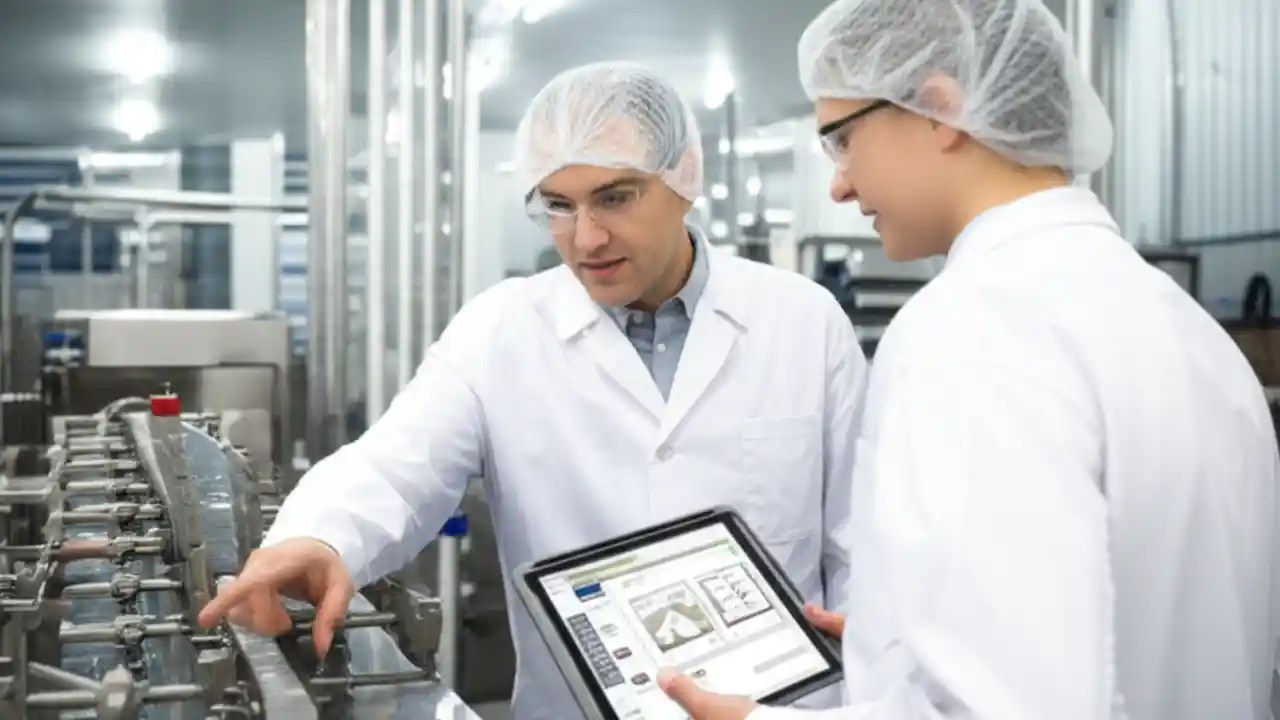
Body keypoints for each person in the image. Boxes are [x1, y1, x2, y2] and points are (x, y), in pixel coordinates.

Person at [658, 0, 1280, 718]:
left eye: (840, 139)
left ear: (939, 109)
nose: (839, 184)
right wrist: (898, 642)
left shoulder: (975, 328)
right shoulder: (1185, 327)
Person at [198, 62, 866, 720]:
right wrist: (320, 537)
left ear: (683, 180)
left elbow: (859, 548)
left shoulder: (802, 321)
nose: (586, 238)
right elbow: (397, 466)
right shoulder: (501, 329)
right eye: (558, 205)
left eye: (615, 196)